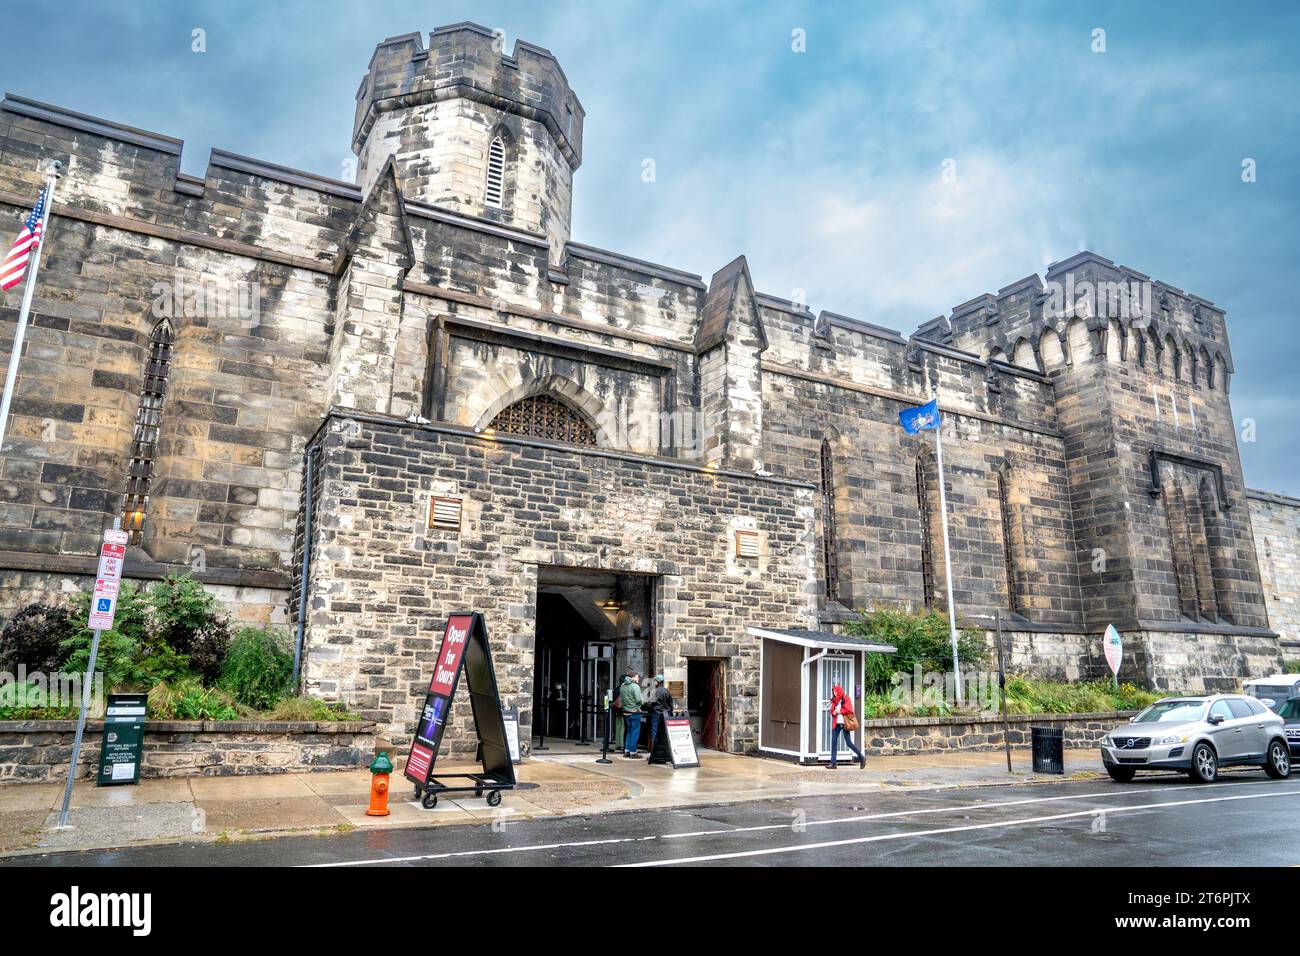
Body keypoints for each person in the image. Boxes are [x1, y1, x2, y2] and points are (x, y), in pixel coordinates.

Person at [828, 684, 866, 770]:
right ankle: (833, 763)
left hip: (844, 723)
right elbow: (832, 712)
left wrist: (839, 711)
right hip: (837, 723)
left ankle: (861, 757)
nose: (834, 693)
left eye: (835, 691)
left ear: (839, 691)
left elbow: (849, 710)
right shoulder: (835, 700)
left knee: (848, 743)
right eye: (833, 692)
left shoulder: (846, 698)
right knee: (833, 742)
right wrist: (833, 711)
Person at [619, 670, 644, 757]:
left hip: (626, 711)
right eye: (637, 677)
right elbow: (638, 700)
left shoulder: (623, 685)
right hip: (634, 712)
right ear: (632, 677)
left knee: (629, 731)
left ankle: (627, 751)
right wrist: (643, 701)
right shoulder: (635, 686)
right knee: (635, 732)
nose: (638, 678)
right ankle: (633, 752)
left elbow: (621, 699)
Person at [647, 675, 674, 754]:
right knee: (664, 732)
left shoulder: (655, 691)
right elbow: (671, 705)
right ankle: (664, 750)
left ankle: (655, 751)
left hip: (656, 714)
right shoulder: (667, 691)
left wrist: (645, 705)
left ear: (658, 682)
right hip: (666, 715)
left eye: (655, 681)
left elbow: (650, 704)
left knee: (655, 732)